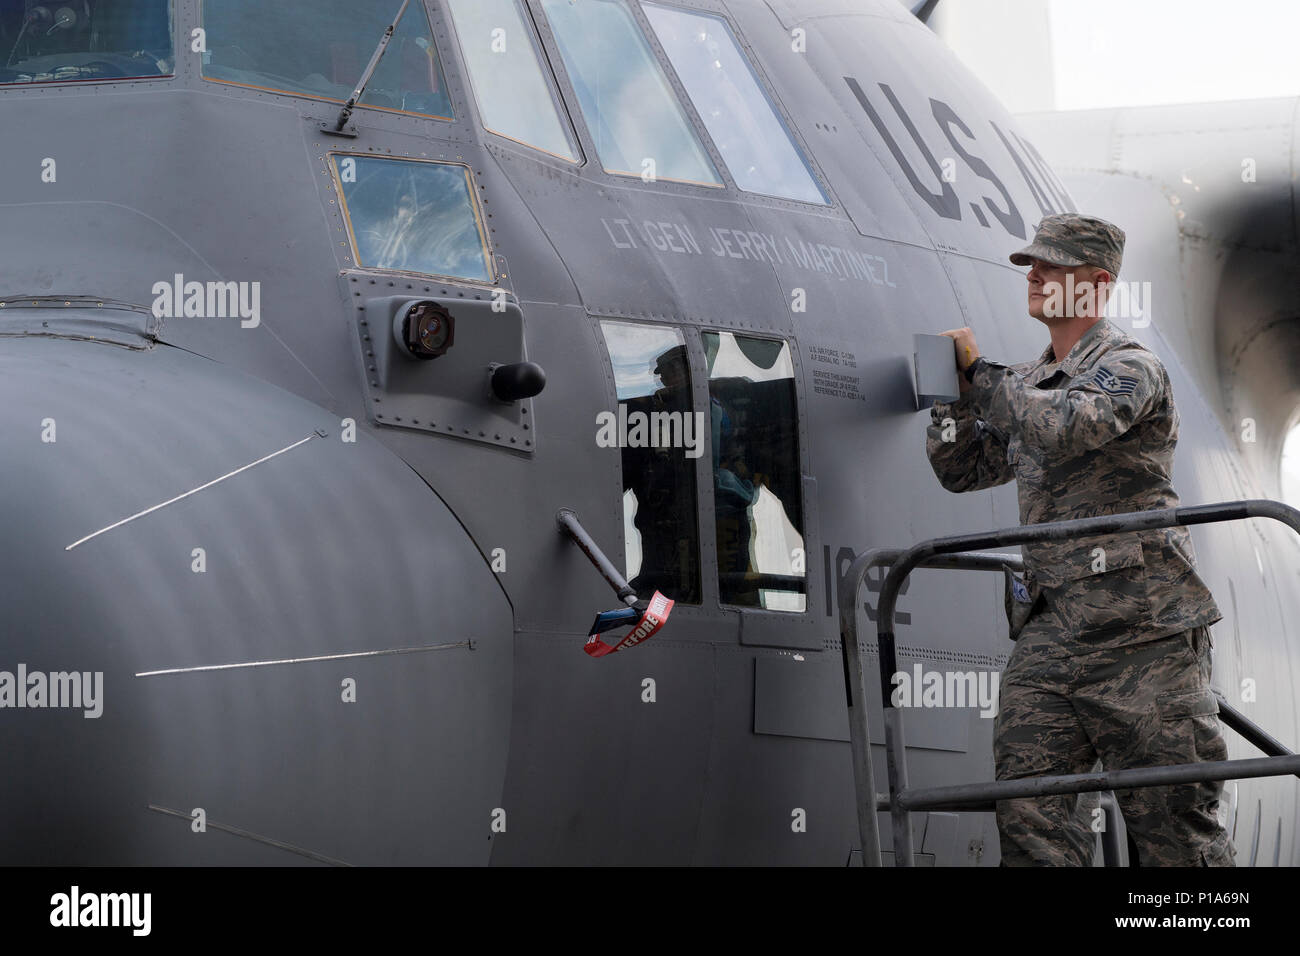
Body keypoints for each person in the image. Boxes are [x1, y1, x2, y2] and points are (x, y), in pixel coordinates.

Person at [924, 213, 1235, 866]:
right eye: (1031, 264)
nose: (1033, 276)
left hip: (1141, 634)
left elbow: (1069, 426)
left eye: (1052, 266)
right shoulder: (1028, 385)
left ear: (1095, 285)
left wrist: (981, 379)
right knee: (1030, 822)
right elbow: (963, 469)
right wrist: (950, 401)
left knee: (1178, 838)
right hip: (1052, 631)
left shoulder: (1131, 368)